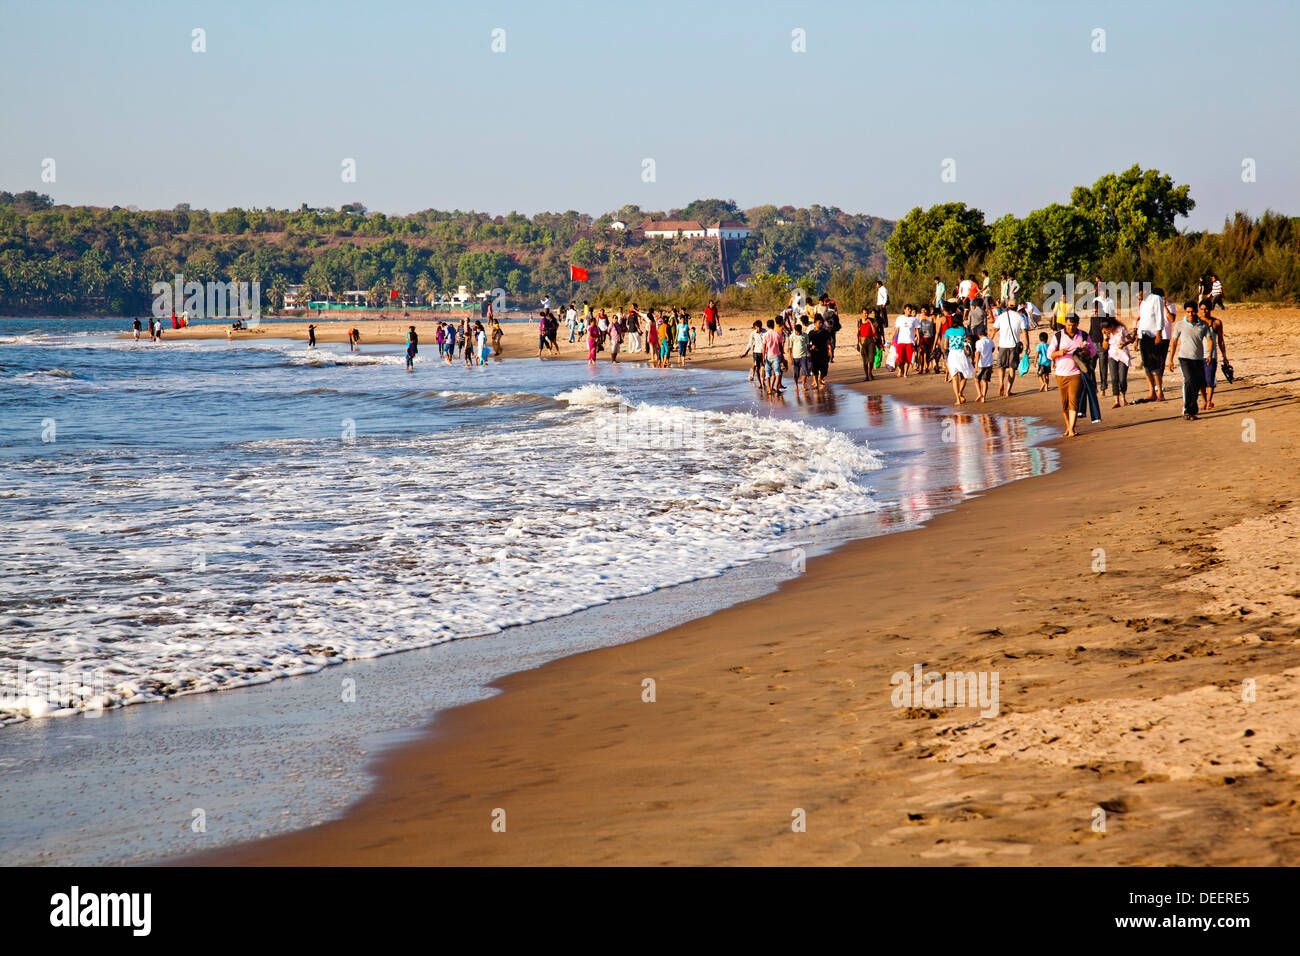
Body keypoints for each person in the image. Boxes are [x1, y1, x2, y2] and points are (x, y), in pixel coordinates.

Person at [1049, 313, 1095, 437]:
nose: (1070, 328)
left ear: (1077, 325)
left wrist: (1085, 351)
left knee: (1073, 400)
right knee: (1064, 403)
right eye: (1068, 325)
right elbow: (1050, 354)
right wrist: (1059, 352)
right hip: (1060, 373)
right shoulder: (1058, 336)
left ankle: (1071, 430)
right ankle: (1068, 427)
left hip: (1076, 372)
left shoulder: (1083, 335)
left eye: (1073, 325)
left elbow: (1093, 351)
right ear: (1065, 324)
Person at [1169, 300, 1212, 420]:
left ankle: (1192, 411)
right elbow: (1173, 342)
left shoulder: (1203, 325)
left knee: (1197, 383)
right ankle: (1187, 410)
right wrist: (1170, 359)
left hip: (1198, 358)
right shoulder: (1179, 325)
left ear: (1196, 312)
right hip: (1184, 358)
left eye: (1193, 312)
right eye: (1188, 312)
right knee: (1189, 380)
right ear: (1185, 312)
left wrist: (1209, 354)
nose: (1191, 314)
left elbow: (1209, 340)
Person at [1135, 286, 1167, 402]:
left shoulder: (1156, 298)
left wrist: (1159, 333)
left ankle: (1160, 392)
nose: (1136, 295)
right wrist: (1137, 338)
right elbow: (1142, 320)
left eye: (1137, 292)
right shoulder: (1142, 303)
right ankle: (1151, 393)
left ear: (1144, 290)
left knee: (1155, 366)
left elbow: (1160, 316)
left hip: (1153, 336)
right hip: (1143, 335)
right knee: (1147, 366)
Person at [991, 302, 1025, 397]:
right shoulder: (1019, 317)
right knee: (1012, 368)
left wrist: (989, 341)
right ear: (1017, 307)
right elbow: (1024, 331)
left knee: (1001, 366)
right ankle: (1008, 391)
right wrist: (1028, 345)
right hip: (1014, 346)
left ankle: (1001, 382)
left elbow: (994, 329)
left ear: (1007, 307)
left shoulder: (1001, 316)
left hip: (1002, 345)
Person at [943, 313, 976, 404]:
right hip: (961, 354)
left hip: (952, 354)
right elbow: (969, 341)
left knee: (954, 377)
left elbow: (945, 346)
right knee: (964, 376)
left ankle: (957, 399)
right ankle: (960, 393)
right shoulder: (964, 330)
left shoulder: (948, 331)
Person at [1201, 300, 1226, 410]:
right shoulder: (1197, 322)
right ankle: (1205, 401)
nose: (1204, 311)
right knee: (1200, 381)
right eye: (1201, 309)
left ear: (1210, 309)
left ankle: (1209, 401)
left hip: (1212, 355)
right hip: (1197, 355)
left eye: (1206, 309)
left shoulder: (1217, 323)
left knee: (1209, 379)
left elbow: (1220, 341)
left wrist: (1225, 356)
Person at [1103, 317, 1132, 408]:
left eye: (1108, 328)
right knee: (1114, 378)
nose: (1107, 330)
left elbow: (1130, 339)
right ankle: (1116, 400)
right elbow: (1104, 347)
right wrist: (1106, 338)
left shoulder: (1121, 329)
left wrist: (1124, 344)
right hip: (1112, 355)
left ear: (1112, 325)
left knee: (1122, 378)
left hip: (1123, 355)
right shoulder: (1105, 333)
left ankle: (1123, 396)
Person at [807, 315, 831, 390]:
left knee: (825, 369)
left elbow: (829, 342)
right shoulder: (811, 333)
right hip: (815, 353)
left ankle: (820, 379)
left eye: (821, 323)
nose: (821, 324)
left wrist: (830, 351)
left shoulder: (825, 332)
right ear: (815, 324)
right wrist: (810, 348)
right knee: (815, 369)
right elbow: (807, 343)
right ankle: (816, 384)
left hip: (824, 352)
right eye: (819, 323)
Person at [761, 319, 785, 394]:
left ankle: (769, 389)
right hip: (776, 355)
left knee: (768, 373)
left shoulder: (765, 334)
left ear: (767, 326)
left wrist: (763, 357)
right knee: (777, 373)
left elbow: (764, 347)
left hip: (768, 355)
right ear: (773, 325)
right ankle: (776, 387)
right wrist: (782, 355)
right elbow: (780, 346)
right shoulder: (778, 334)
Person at [893, 305, 917, 377]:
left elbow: (917, 329)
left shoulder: (913, 319)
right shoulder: (900, 318)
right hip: (901, 341)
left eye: (910, 309)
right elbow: (896, 329)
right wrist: (892, 338)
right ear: (904, 310)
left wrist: (917, 338)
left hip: (910, 341)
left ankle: (905, 373)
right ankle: (900, 369)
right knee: (900, 359)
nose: (909, 311)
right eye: (908, 309)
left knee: (908, 359)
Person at [974, 325, 996, 402]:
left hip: (981, 364)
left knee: (976, 380)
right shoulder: (990, 341)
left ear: (978, 334)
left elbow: (978, 354)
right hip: (989, 363)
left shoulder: (979, 342)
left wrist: (976, 365)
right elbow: (993, 349)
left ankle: (979, 394)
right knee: (985, 381)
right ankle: (984, 397)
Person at [856, 309, 878, 381]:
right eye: (865, 313)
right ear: (861, 314)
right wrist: (858, 343)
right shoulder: (859, 322)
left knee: (871, 359)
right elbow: (857, 333)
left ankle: (870, 372)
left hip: (870, 341)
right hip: (862, 341)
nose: (866, 315)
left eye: (867, 313)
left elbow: (874, 332)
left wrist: (871, 323)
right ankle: (867, 375)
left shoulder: (871, 320)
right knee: (865, 360)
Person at [742, 320, 765, 385]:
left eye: (760, 327)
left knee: (763, 368)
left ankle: (762, 382)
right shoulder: (753, 333)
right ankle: (754, 375)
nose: (759, 329)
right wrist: (745, 353)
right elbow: (750, 344)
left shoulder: (765, 332)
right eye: (757, 327)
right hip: (756, 352)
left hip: (763, 352)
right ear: (755, 327)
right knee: (755, 365)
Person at [790, 321, 811, 391]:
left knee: (804, 371)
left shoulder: (805, 335)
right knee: (796, 373)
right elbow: (790, 347)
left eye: (799, 332)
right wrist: (790, 358)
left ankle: (803, 385)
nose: (797, 333)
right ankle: (796, 386)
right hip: (795, 356)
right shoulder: (792, 336)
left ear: (801, 330)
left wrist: (809, 353)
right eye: (796, 332)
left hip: (803, 356)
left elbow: (808, 345)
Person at [915, 307, 936, 374]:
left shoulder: (932, 317)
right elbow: (916, 327)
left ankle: (927, 367)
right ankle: (921, 367)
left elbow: (935, 326)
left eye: (925, 310)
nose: (923, 311)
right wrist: (917, 336)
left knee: (927, 353)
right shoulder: (919, 317)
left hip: (930, 337)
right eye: (922, 310)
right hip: (922, 337)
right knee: (921, 352)